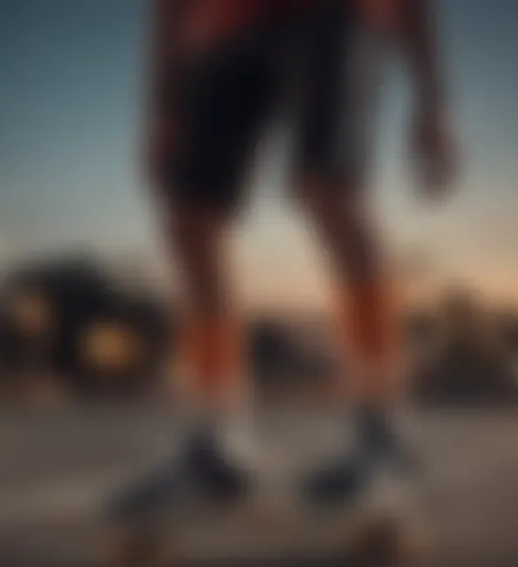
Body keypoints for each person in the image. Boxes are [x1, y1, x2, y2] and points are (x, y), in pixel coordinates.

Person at [108, 0, 457, 520]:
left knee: (326, 187)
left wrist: (432, 102)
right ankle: (214, 450)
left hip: (338, 13)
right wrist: (163, 106)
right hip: (223, 23)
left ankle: (383, 437)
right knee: (189, 218)